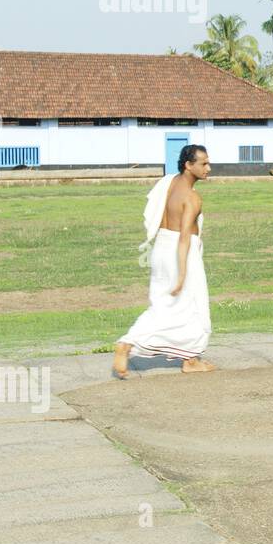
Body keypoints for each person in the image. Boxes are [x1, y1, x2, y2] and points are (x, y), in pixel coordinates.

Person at [113, 144, 216, 378]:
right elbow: (183, 237)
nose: (209, 168)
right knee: (191, 305)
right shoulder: (192, 197)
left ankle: (190, 358)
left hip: (160, 248)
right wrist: (181, 274)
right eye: (204, 164)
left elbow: (154, 210)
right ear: (189, 165)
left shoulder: (169, 183)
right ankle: (128, 343)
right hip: (180, 253)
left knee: (168, 304)